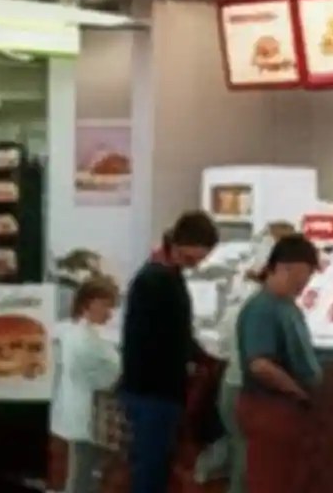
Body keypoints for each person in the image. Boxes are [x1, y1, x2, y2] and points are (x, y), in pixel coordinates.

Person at [119, 211, 219, 493]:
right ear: (179, 243)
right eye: (192, 259)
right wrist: (202, 360)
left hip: (149, 389)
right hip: (154, 392)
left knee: (152, 467)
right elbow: (173, 336)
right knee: (151, 470)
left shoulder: (160, 273)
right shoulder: (158, 280)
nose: (194, 265)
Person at [236, 234, 323, 493]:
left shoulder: (286, 306)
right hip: (270, 406)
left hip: (285, 408)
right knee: (269, 481)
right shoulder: (262, 308)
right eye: (301, 278)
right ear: (283, 268)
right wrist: (296, 391)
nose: (304, 285)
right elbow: (260, 364)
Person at [216, 222, 295, 493]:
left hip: (233, 383)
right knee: (250, 466)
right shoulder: (264, 301)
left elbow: (225, 343)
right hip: (247, 390)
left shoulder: (248, 293)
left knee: (245, 460)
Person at [52, 276, 122, 493]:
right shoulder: (85, 340)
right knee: (83, 476)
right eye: (106, 305)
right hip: (87, 415)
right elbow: (110, 378)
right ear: (89, 303)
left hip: (79, 413)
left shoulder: (72, 331)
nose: (110, 313)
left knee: (82, 473)